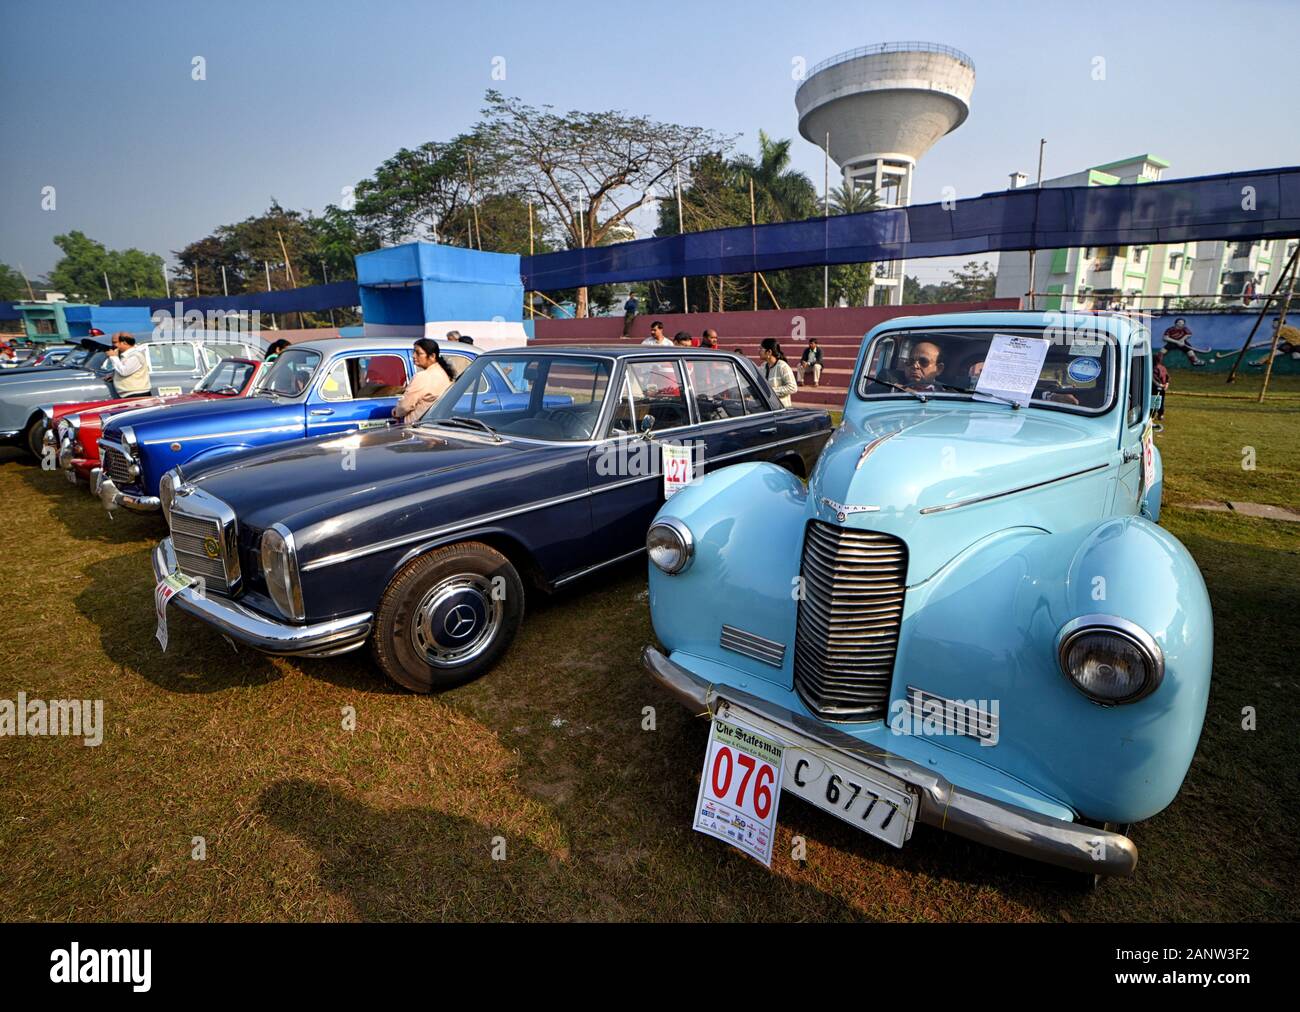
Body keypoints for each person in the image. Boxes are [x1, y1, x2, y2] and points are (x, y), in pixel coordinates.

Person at [393, 338, 458, 423]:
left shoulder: (423, 376)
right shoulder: (444, 373)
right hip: (436, 423)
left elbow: (405, 406)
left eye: (418, 353)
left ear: (432, 356)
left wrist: (395, 412)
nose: (414, 356)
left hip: (417, 427)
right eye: (414, 352)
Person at [105, 332, 152, 397]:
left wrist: (113, 357)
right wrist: (115, 375)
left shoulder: (135, 356)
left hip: (137, 394)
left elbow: (124, 371)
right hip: (130, 393)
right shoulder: (126, 355)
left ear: (124, 342)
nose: (113, 345)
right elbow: (127, 370)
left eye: (115, 342)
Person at [759, 338, 797, 407]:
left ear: (769, 352)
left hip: (781, 409)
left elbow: (793, 387)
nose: (759, 351)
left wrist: (771, 391)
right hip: (768, 408)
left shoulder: (782, 366)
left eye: (761, 349)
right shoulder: (763, 366)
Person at [1153, 350, 1170, 420]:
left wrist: (1163, 384)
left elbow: (1152, 378)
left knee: (1155, 402)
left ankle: (1154, 415)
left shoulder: (1156, 368)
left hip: (1157, 388)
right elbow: (1167, 377)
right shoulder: (1162, 367)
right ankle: (1160, 415)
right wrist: (1166, 384)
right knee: (1159, 402)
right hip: (1160, 388)